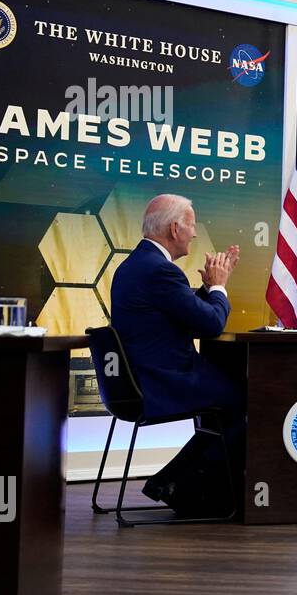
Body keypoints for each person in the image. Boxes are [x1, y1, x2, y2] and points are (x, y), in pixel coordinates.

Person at [109, 194, 243, 517]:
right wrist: (219, 289)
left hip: (138, 382)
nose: (195, 234)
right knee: (250, 400)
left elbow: (178, 312)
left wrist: (207, 289)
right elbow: (211, 324)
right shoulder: (160, 272)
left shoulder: (134, 266)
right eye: (192, 226)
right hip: (163, 381)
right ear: (174, 228)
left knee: (224, 405)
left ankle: (191, 488)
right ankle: (182, 485)